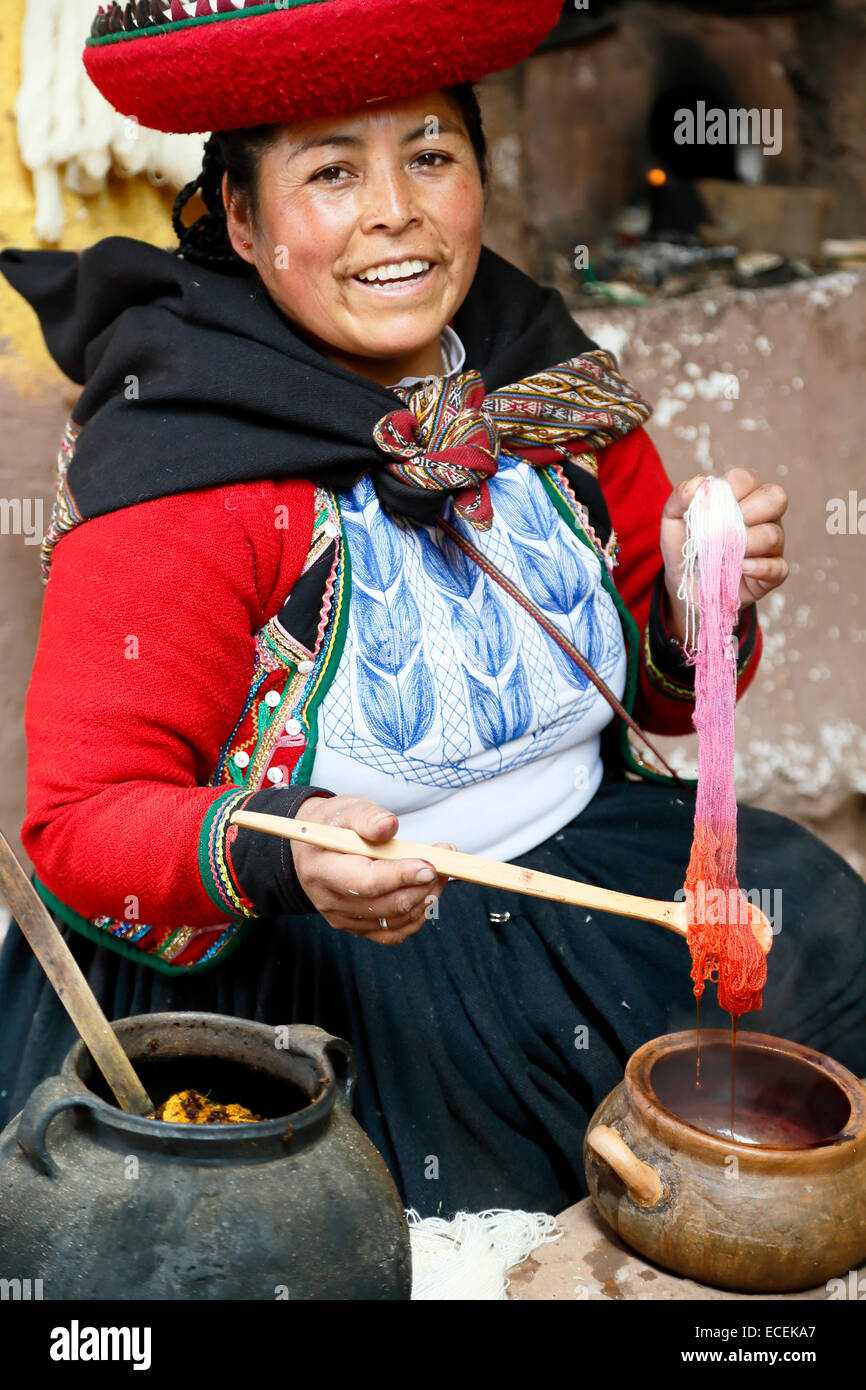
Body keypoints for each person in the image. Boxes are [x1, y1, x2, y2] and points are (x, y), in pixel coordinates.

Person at [0, 0, 864, 1220]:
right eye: (330, 171)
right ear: (241, 220)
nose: (392, 209)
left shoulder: (536, 377)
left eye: (428, 154)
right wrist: (285, 845)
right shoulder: (184, 466)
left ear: (478, 177)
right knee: (404, 1214)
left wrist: (694, 597)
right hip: (329, 956)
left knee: (818, 931)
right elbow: (81, 828)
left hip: (579, 870)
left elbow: (665, 690)